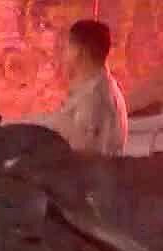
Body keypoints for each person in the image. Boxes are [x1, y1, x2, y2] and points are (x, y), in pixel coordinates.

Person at [33, 19, 128, 157]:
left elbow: (82, 156)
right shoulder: (98, 88)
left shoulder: (93, 98)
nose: (63, 53)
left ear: (78, 51)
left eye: (67, 47)